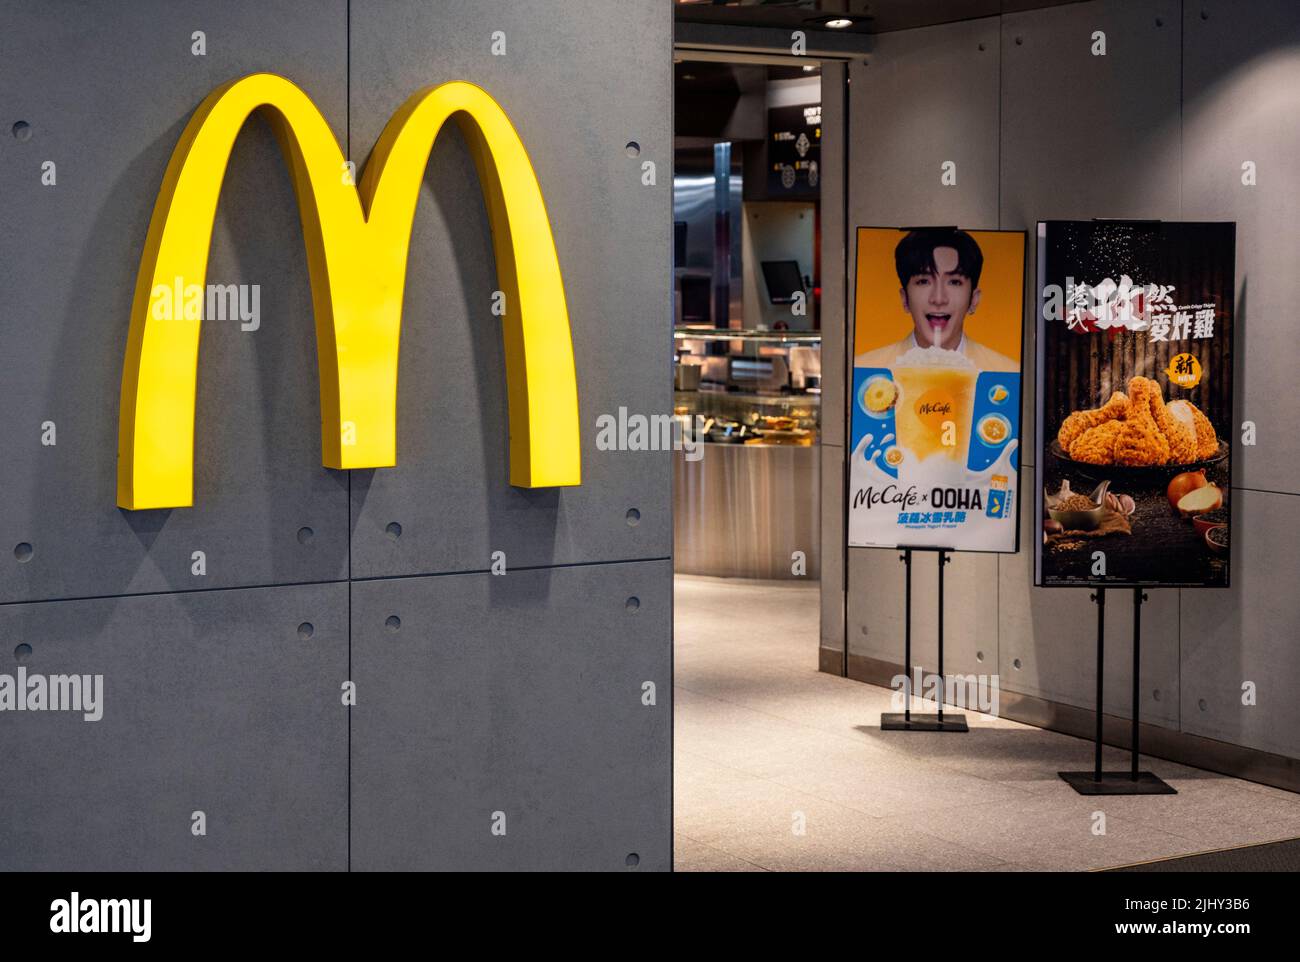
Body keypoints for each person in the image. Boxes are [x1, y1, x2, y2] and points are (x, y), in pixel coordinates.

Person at [854, 228, 1018, 373]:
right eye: (923, 281)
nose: (938, 299)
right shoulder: (863, 370)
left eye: (954, 282)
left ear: (973, 300)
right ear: (905, 299)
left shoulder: (1008, 373)